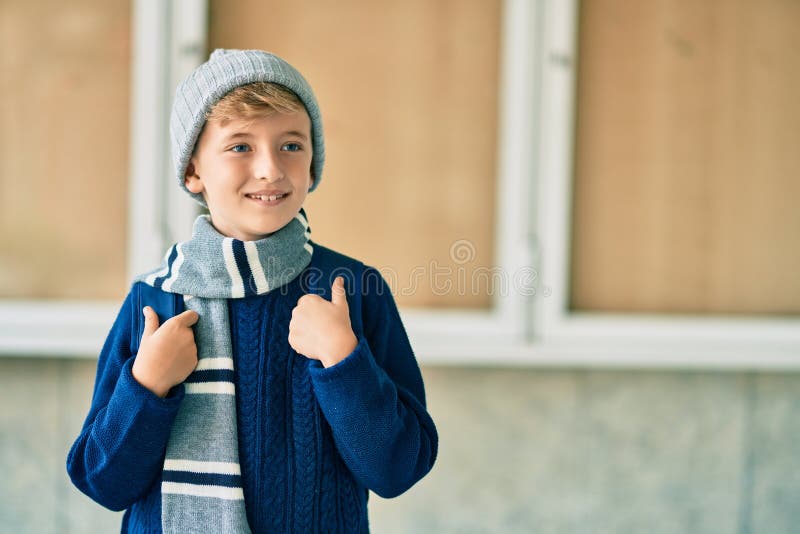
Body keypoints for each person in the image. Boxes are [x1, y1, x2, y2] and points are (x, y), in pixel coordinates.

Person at [67, 48, 438, 533]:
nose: (270, 168)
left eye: (291, 145)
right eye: (240, 147)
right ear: (193, 172)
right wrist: (146, 386)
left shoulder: (352, 290)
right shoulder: (155, 299)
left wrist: (344, 361)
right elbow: (102, 482)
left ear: (312, 164)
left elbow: (398, 469)